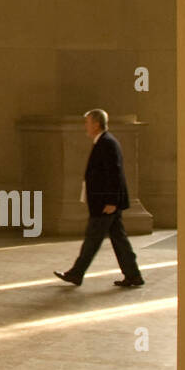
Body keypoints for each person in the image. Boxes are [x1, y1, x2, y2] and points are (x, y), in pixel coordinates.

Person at [54, 109, 144, 288]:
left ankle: (76, 274)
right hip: (105, 203)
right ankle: (134, 275)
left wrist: (112, 201)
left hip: (105, 204)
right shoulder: (103, 142)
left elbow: (114, 173)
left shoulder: (107, 143)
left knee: (92, 240)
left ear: (96, 124)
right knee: (119, 241)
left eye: (87, 122)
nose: (85, 126)